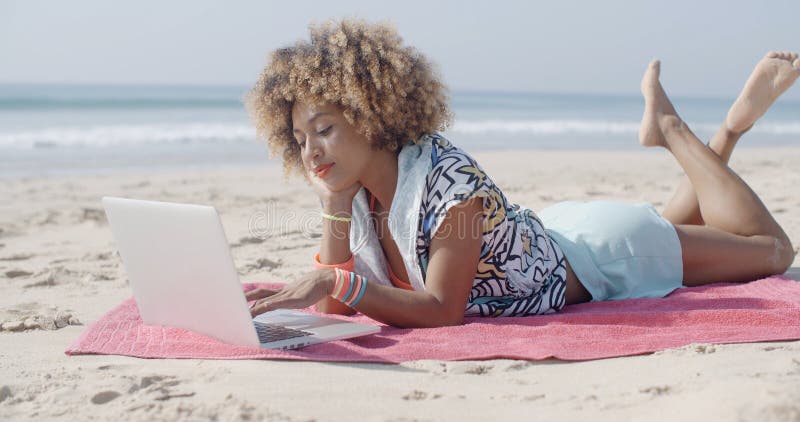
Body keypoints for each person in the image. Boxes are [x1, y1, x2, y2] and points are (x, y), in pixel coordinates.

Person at [243, 18, 798, 328]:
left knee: (770, 251)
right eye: (299, 139)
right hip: (566, 233)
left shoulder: (450, 183)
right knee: (669, 225)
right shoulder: (360, 193)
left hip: (607, 254)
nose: (310, 152)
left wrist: (332, 279)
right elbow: (336, 310)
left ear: (372, 115)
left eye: (324, 129)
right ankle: (724, 136)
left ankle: (675, 129)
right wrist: (335, 208)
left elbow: (440, 310)